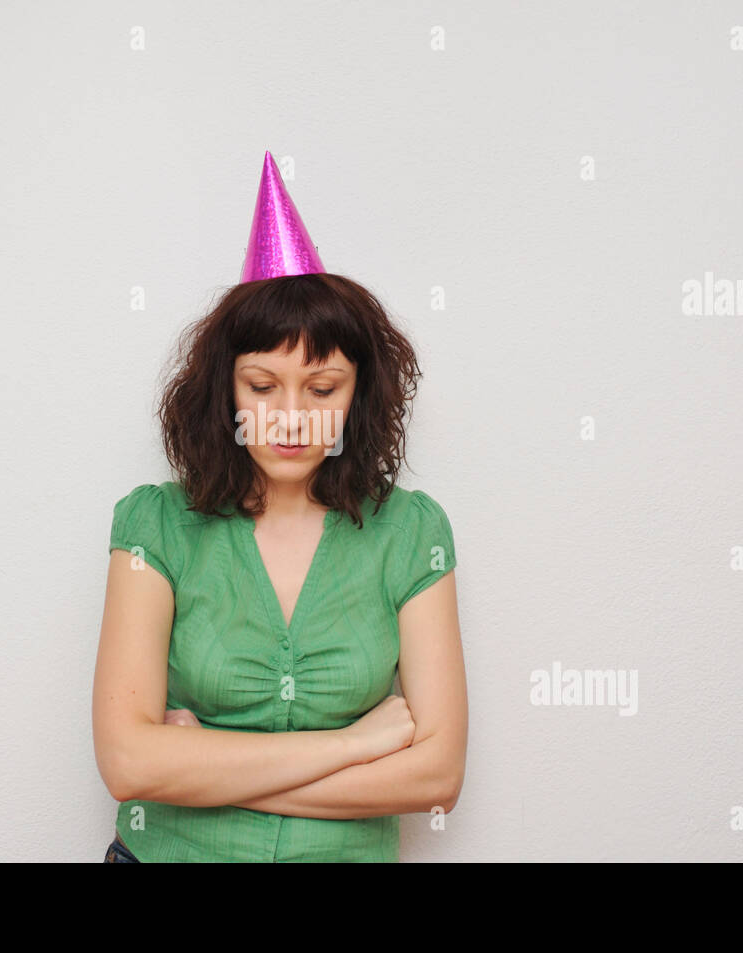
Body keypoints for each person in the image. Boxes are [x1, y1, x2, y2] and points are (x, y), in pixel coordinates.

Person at [92, 153, 466, 862]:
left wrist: (200, 769)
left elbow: (438, 773)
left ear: (358, 397)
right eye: (263, 385)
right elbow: (130, 765)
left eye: (322, 389)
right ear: (225, 391)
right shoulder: (155, 527)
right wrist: (353, 746)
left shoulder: (415, 534)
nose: (291, 417)